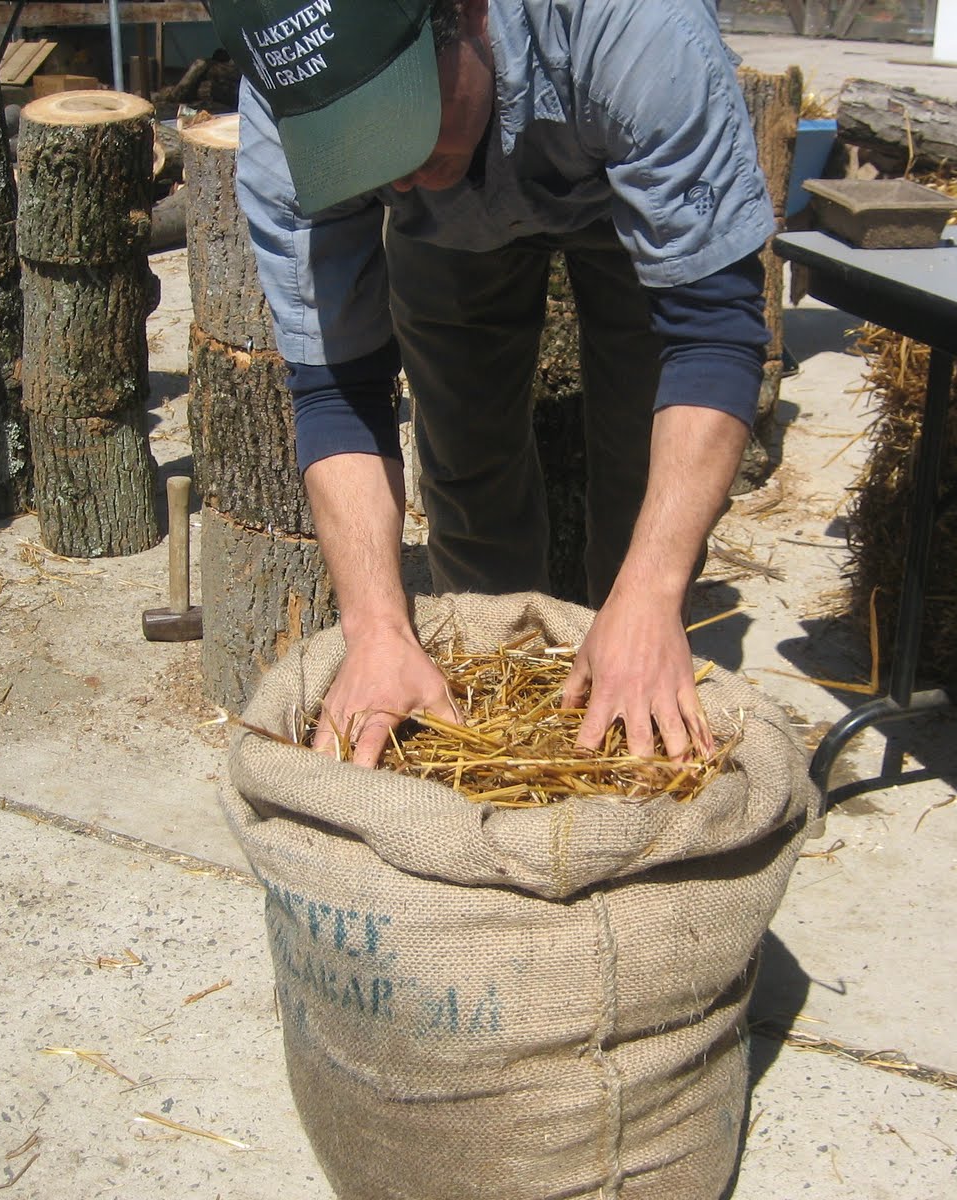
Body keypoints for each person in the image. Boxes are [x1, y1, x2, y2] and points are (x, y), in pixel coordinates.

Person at [209, 0, 776, 766]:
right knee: (468, 470)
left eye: (402, 123)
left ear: (469, 11)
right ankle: (491, 705)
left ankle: (633, 688)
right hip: (450, 231)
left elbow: (712, 335)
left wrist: (649, 594)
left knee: (641, 481)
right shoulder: (288, 104)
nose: (398, 173)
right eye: (355, 148)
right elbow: (336, 387)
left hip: (621, 174)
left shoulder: (637, 28)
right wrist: (375, 629)